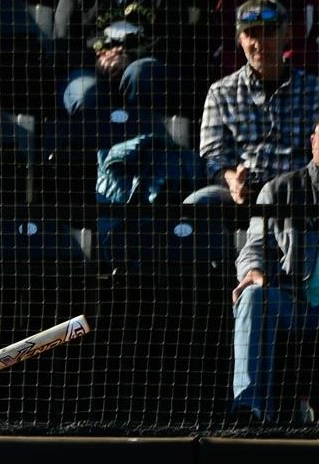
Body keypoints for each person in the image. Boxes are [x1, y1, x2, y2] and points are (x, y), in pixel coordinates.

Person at [229, 116, 319, 424]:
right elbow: (253, 246)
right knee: (254, 298)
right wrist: (253, 270)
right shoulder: (279, 190)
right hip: (294, 304)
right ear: (313, 142)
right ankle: (250, 411)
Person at [188, 0, 319, 204]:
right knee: (197, 204)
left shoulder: (314, 90)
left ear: (287, 36)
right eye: (251, 34)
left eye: (268, 33)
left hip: (299, 193)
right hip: (242, 193)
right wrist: (233, 181)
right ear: (240, 39)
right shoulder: (221, 92)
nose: (259, 43)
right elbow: (212, 157)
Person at [60, 5, 182, 115]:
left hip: (144, 62)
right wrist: (97, 60)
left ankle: (149, 138)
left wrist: (130, 56)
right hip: (89, 68)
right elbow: (63, 45)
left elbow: (175, 42)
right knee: (86, 95)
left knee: (141, 74)